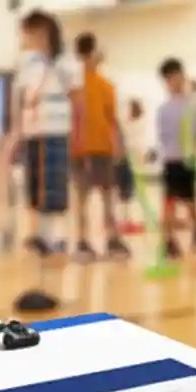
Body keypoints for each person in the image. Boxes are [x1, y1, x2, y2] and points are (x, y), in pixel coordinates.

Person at [11, 10, 80, 257]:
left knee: (55, 185)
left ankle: (56, 237)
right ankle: (39, 235)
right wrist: (17, 133)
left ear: (42, 33)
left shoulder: (65, 64)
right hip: (34, 133)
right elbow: (20, 100)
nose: (24, 39)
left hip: (56, 131)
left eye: (27, 33)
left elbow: (76, 98)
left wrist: (78, 133)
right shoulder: (26, 64)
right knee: (36, 185)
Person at [71, 32, 130, 261]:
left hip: (103, 149)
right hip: (80, 149)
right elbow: (73, 118)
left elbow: (112, 120)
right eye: (95, 51)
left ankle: (112, 239)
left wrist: (119, 146)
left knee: (108, 196)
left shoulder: (106, 86)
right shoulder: (74, 85)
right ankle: (82, 242)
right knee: (82, 197)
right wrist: (75, 145)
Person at [157, 58, 196, 258]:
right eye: (170, 78)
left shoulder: (192, 105)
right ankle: (169, 241)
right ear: (166, 81)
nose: (175, 81)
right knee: (170, 201)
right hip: (171, 160)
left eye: (178, 76)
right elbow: (163, 137)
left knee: (191, 200)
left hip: (188, 160)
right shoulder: (164, 109)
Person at [116, 99, 146, 233]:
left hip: (126, 161)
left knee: (126, 194)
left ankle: (126, 219)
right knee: (125, 194)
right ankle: (124, 220)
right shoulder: (130, 125)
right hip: (126, 162)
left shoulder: (130, 125)